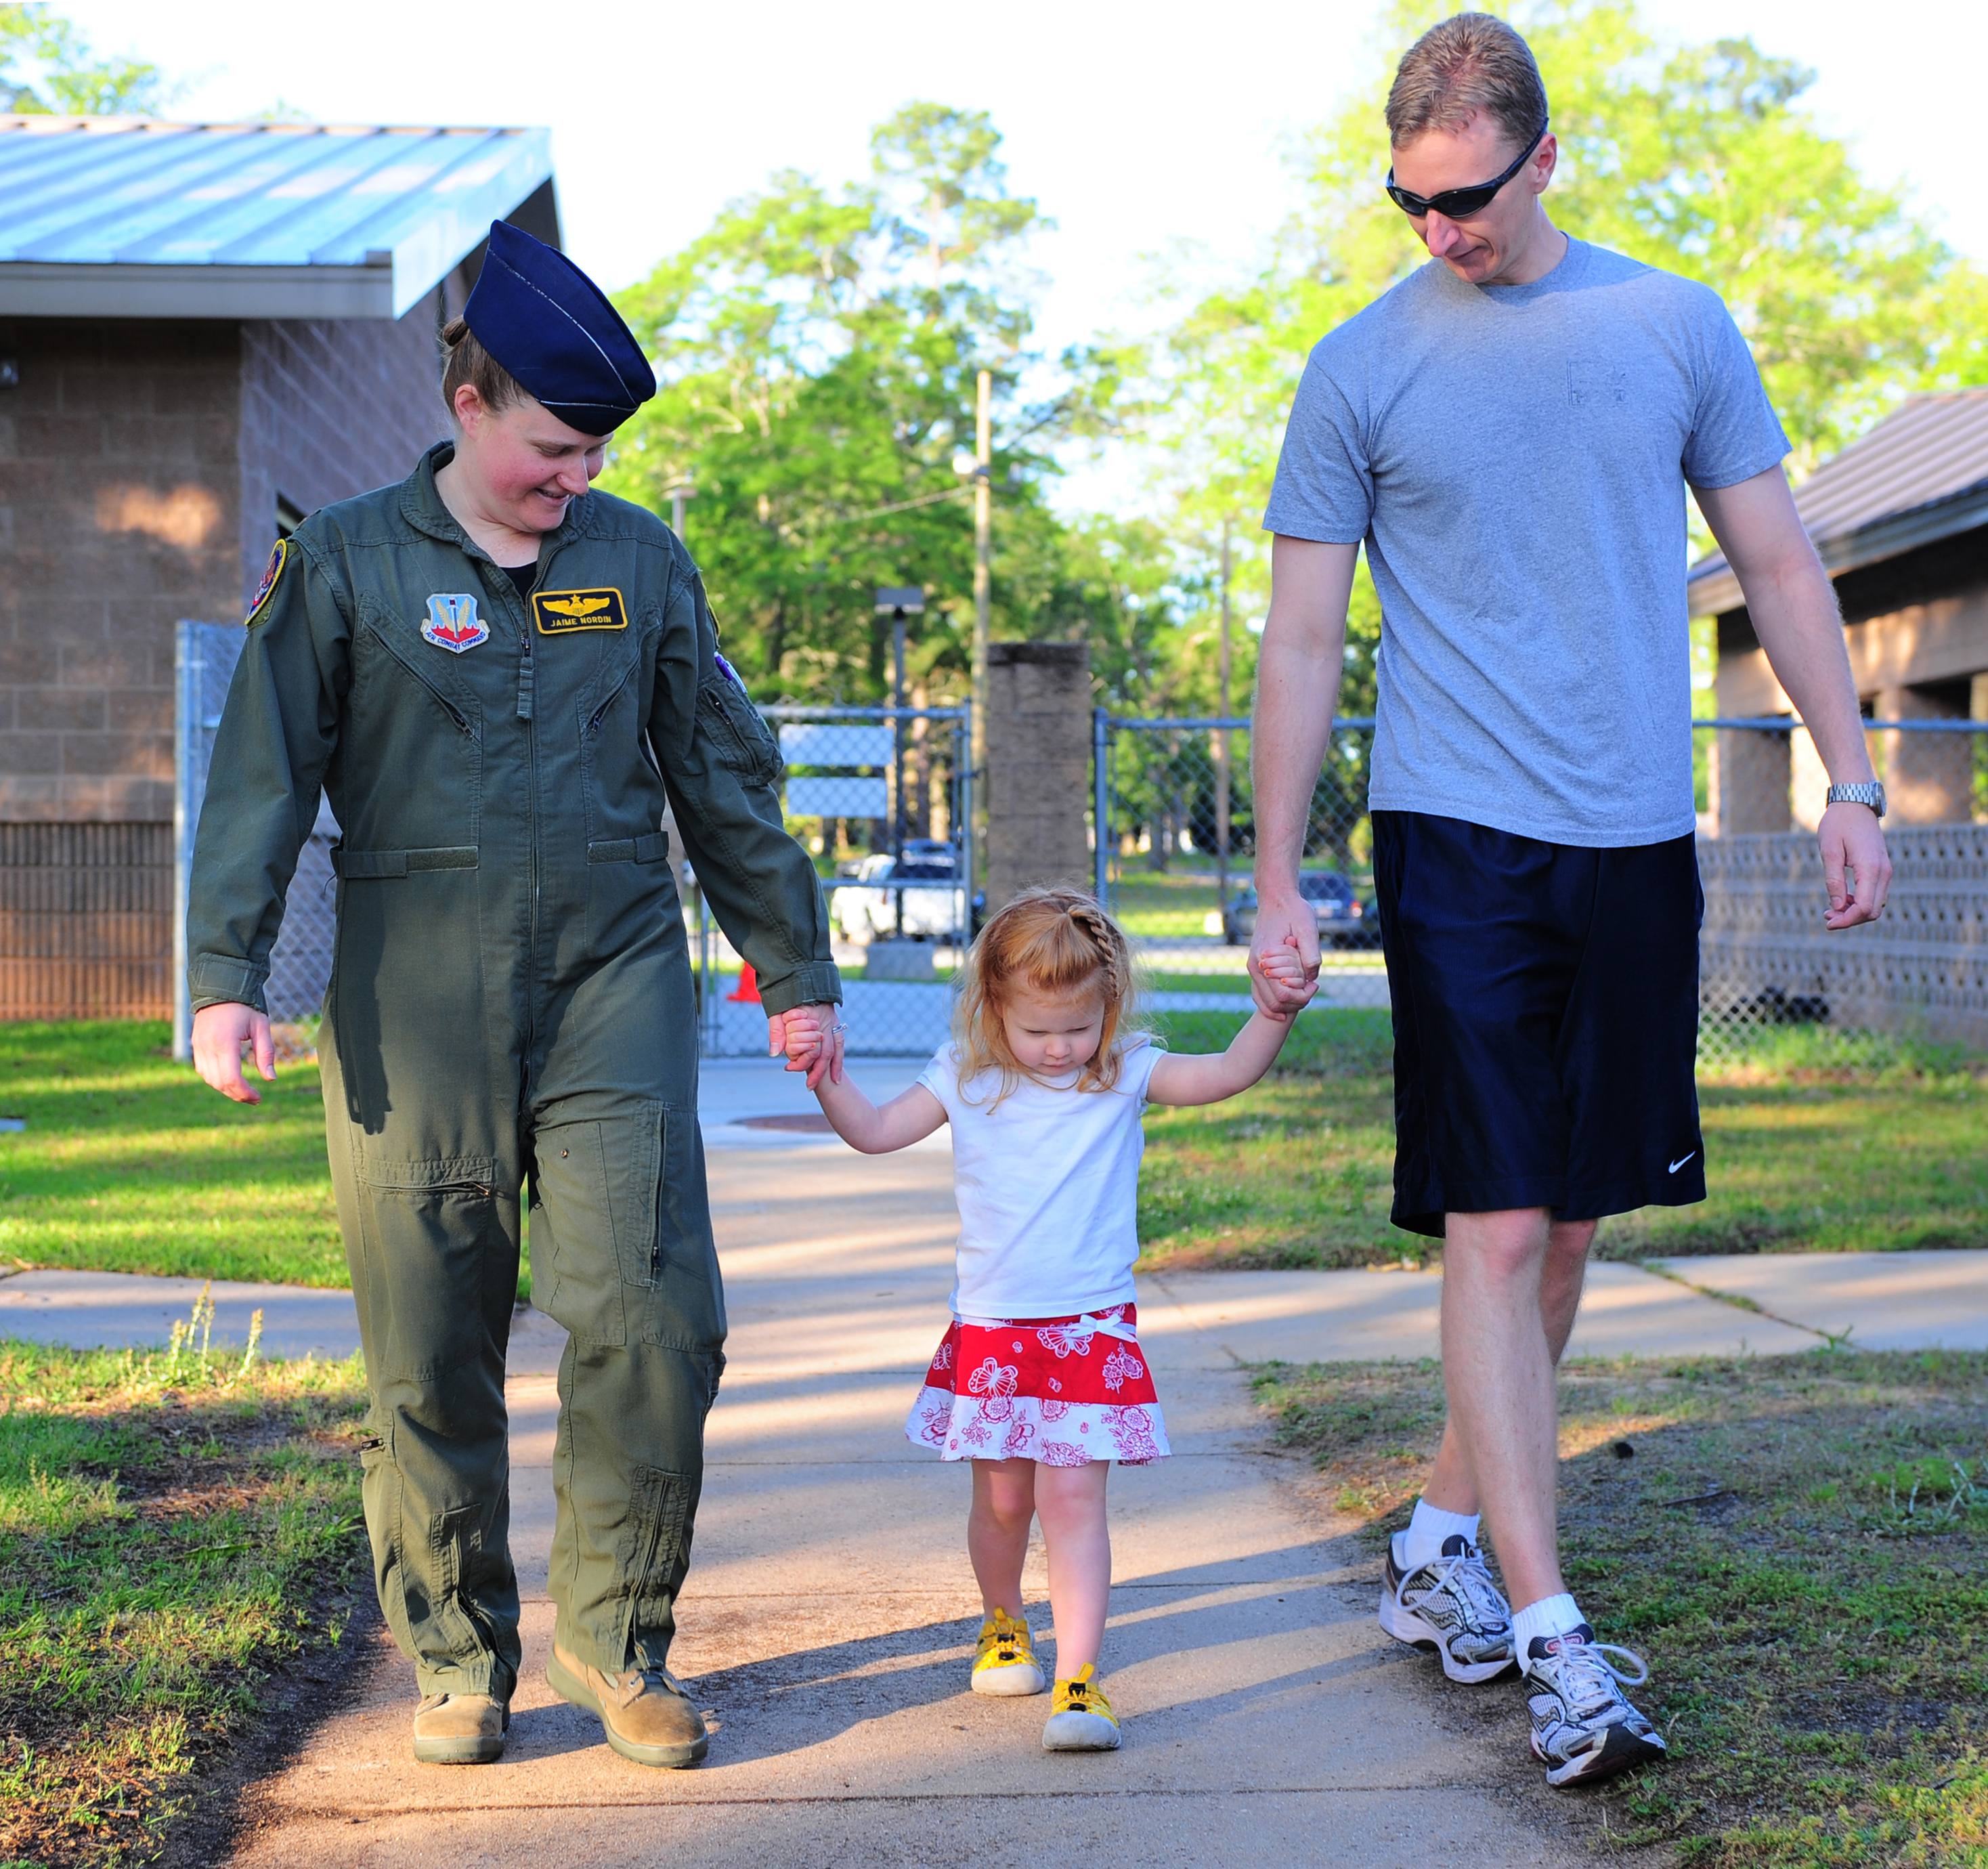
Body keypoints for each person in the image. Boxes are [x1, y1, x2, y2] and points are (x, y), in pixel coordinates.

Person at [1247, 13, 1893, 1790]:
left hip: (1630, 837)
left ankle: (1440, 1540)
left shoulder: (1670, 323)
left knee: (1578, 1220)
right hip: (1453, 831)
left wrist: (1850, 781)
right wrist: (1276, 864)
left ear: (1544, 159)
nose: (1435, 232)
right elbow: (1303, 636)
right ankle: (1551, 1642)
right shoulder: (1357, 367)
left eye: (1462, 198)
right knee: (1500, 1226)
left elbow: (1776, 560)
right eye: (1407, 201)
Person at [186, 220, 840, 1770]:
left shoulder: (638, 560)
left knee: (655, 1321)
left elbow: (725, 783)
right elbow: (261, 778)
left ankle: (623, 1647)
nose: (575, 478)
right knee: (428, 1340)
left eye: (595, 452)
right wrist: (223, 977)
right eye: (553, 447)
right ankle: (457, 1660)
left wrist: (794, 969)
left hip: (614, 983)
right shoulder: (343, 559)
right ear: (470, 404)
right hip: (410, 997)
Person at [780, 888, 1313, 1751]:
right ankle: (1001, 1625)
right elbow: (875, 1133)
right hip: (994, 1330)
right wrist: (827, 1077)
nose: (1062, 1049)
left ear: (1110, 1005)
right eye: (1039, 1031)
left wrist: (1272, 1016)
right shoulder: (967, 1075)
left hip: (1090, 1332)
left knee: (1073, 1503)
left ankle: (1079, 1680)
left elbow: (1223, 1072)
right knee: (1001, 1503)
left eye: (1079, 1026)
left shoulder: (1126, 1066)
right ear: (993, 1008)